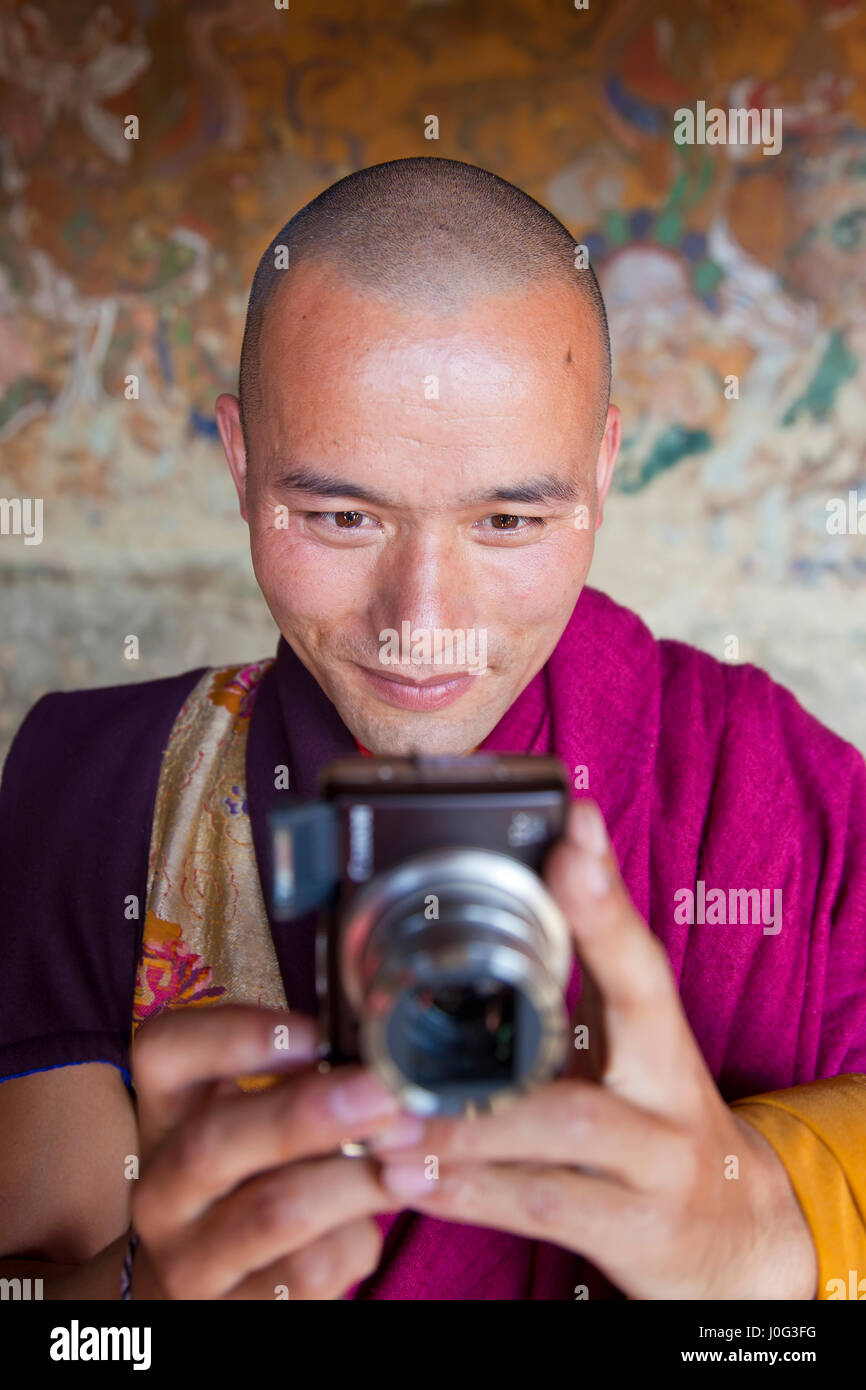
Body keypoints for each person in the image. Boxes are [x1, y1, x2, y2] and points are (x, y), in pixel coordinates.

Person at [0, 157, 863, 1302]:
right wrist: (143, 1300)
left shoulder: (755, 776)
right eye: (340, 514)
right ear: (241, 461)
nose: (422, 624)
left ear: (600, 471)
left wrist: (756, 1222)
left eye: (509, 518)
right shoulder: (103, 788)